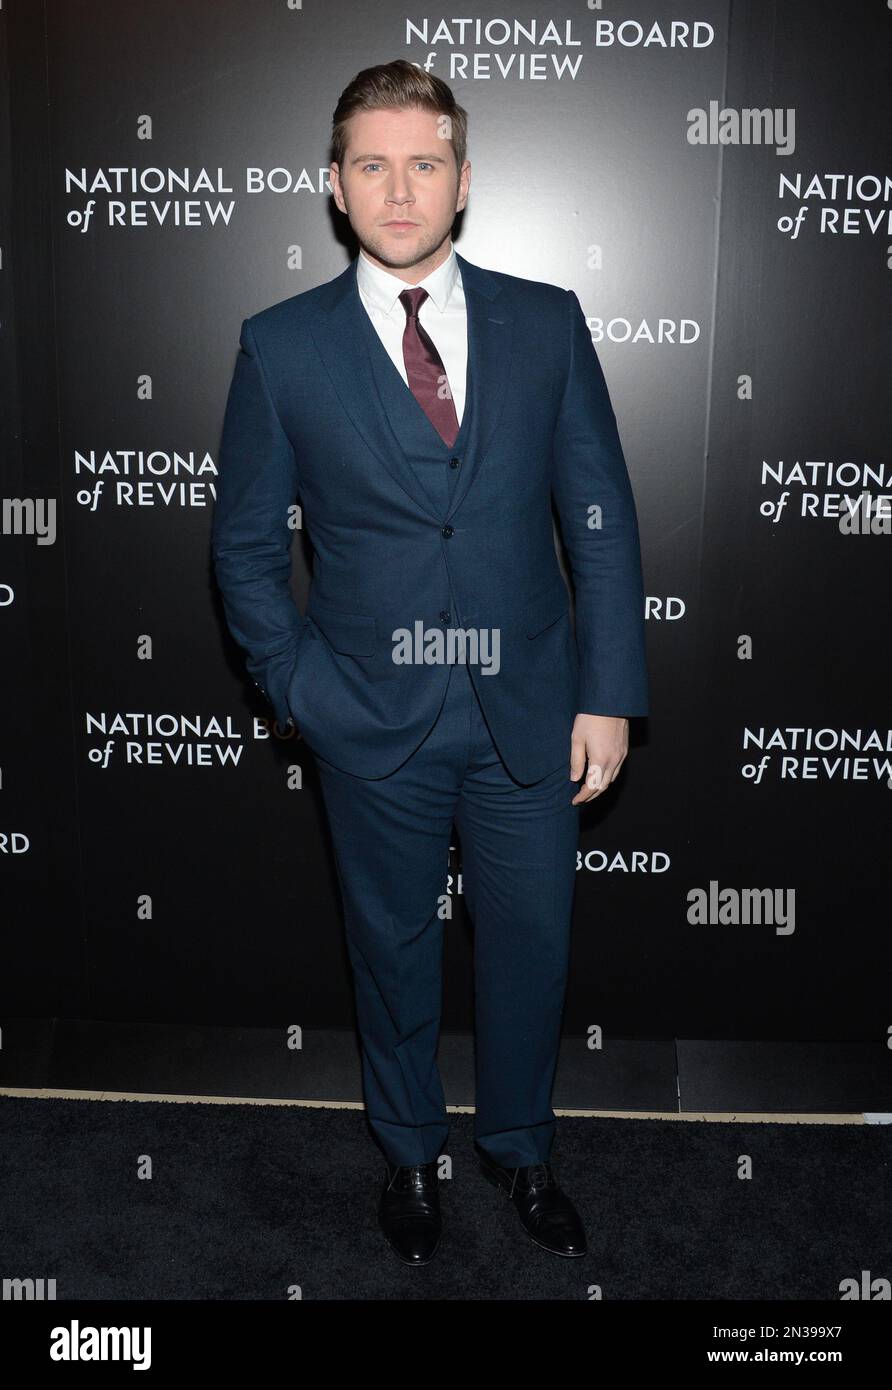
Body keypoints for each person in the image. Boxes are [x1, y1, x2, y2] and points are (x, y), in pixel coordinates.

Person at [212, 59, 649, 1266]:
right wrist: (300, 692)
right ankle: (410, 1155)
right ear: (333, 186)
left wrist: (610, 690)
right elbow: (246, 550)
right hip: (370, 722)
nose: (398, 190)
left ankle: (521, 1148)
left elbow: (600, 517)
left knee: (533, 947)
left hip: (532, 713)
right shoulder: (280, 346)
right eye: (371, 164)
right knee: (391, 949)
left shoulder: (545, 319)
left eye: (423, 162)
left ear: (463, 181)